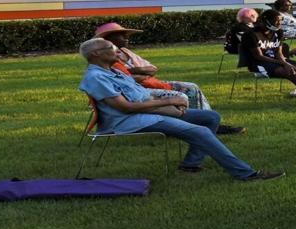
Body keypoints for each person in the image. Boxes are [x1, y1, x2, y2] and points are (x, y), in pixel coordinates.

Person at [78, 38, 282, 181]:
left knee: (210, 117)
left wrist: (170, 101)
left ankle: (191, 164)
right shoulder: (96, 77)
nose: (118, 51)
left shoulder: (113, 71)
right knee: (200, 131)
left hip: (149, 112)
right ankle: (245, 174)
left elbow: (141, 93)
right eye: (111, 48)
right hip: (131, 119)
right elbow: (127, 107)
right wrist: (166, 102)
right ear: (96, 54)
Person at [94, 21, 220, 116]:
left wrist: (136, 71)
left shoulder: (126, 52)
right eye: (122, 35)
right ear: (108, 39)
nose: (127, 37)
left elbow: (152, 69)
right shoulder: (106, 58)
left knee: (192, 86)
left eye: (126, 34)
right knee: (186, 92)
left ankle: (204, 117)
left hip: (151, 83)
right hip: (138, 90)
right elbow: (125, 80)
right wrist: (140, 72)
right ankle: (196, 121)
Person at [243, 9, 296, 97]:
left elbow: (278, 53)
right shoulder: (251, 34)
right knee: (292, 73)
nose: (279, 23)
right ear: (266, 20)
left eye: (280, 20)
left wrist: (285, 63)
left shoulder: (278, 32)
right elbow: (258, 56)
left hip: (276, 61)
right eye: (276, 20)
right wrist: (284, 64)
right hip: (258, 64)